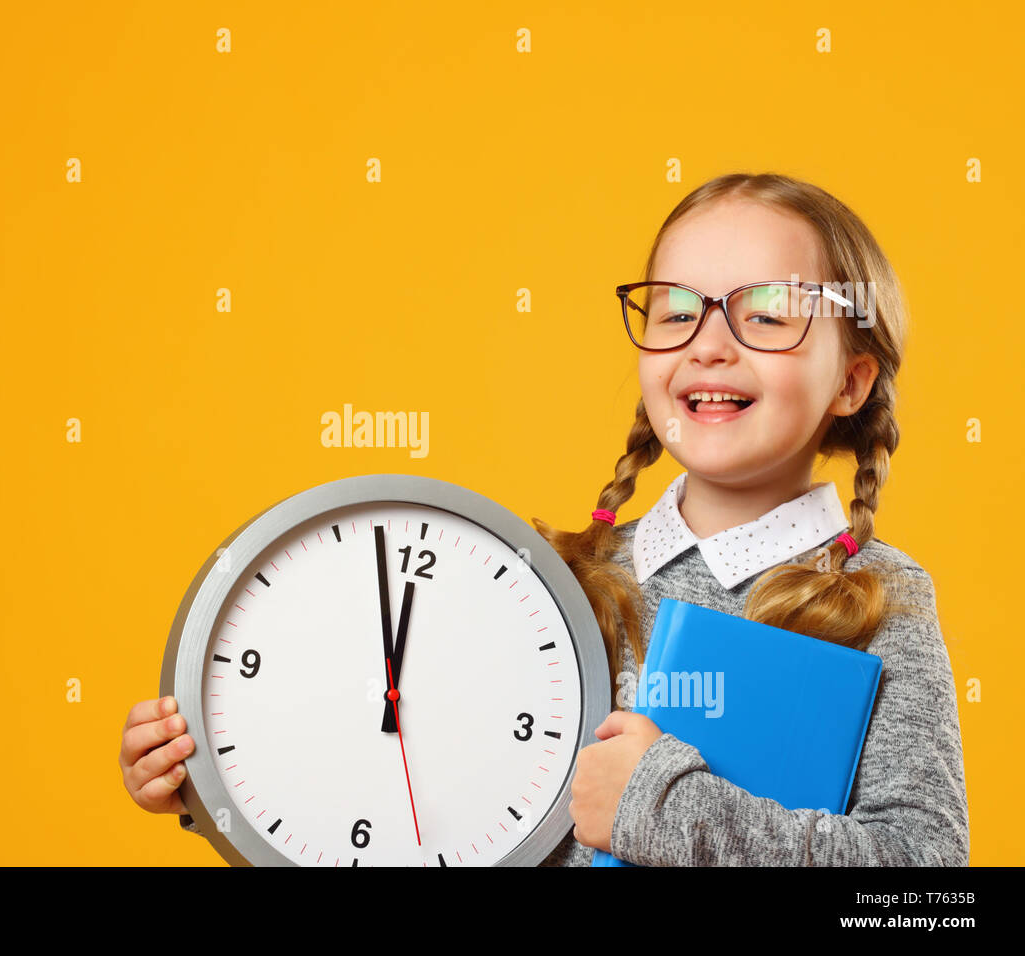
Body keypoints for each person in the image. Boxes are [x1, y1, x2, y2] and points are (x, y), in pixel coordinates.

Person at [118, 171, 970, 866]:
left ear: (852, 381)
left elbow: (924, 892)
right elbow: (411, 770)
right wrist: (217, 777)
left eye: (767, 315)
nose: (709, 343)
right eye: (677, 310)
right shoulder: (550, 580)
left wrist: (657, 803)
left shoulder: (879, 600)